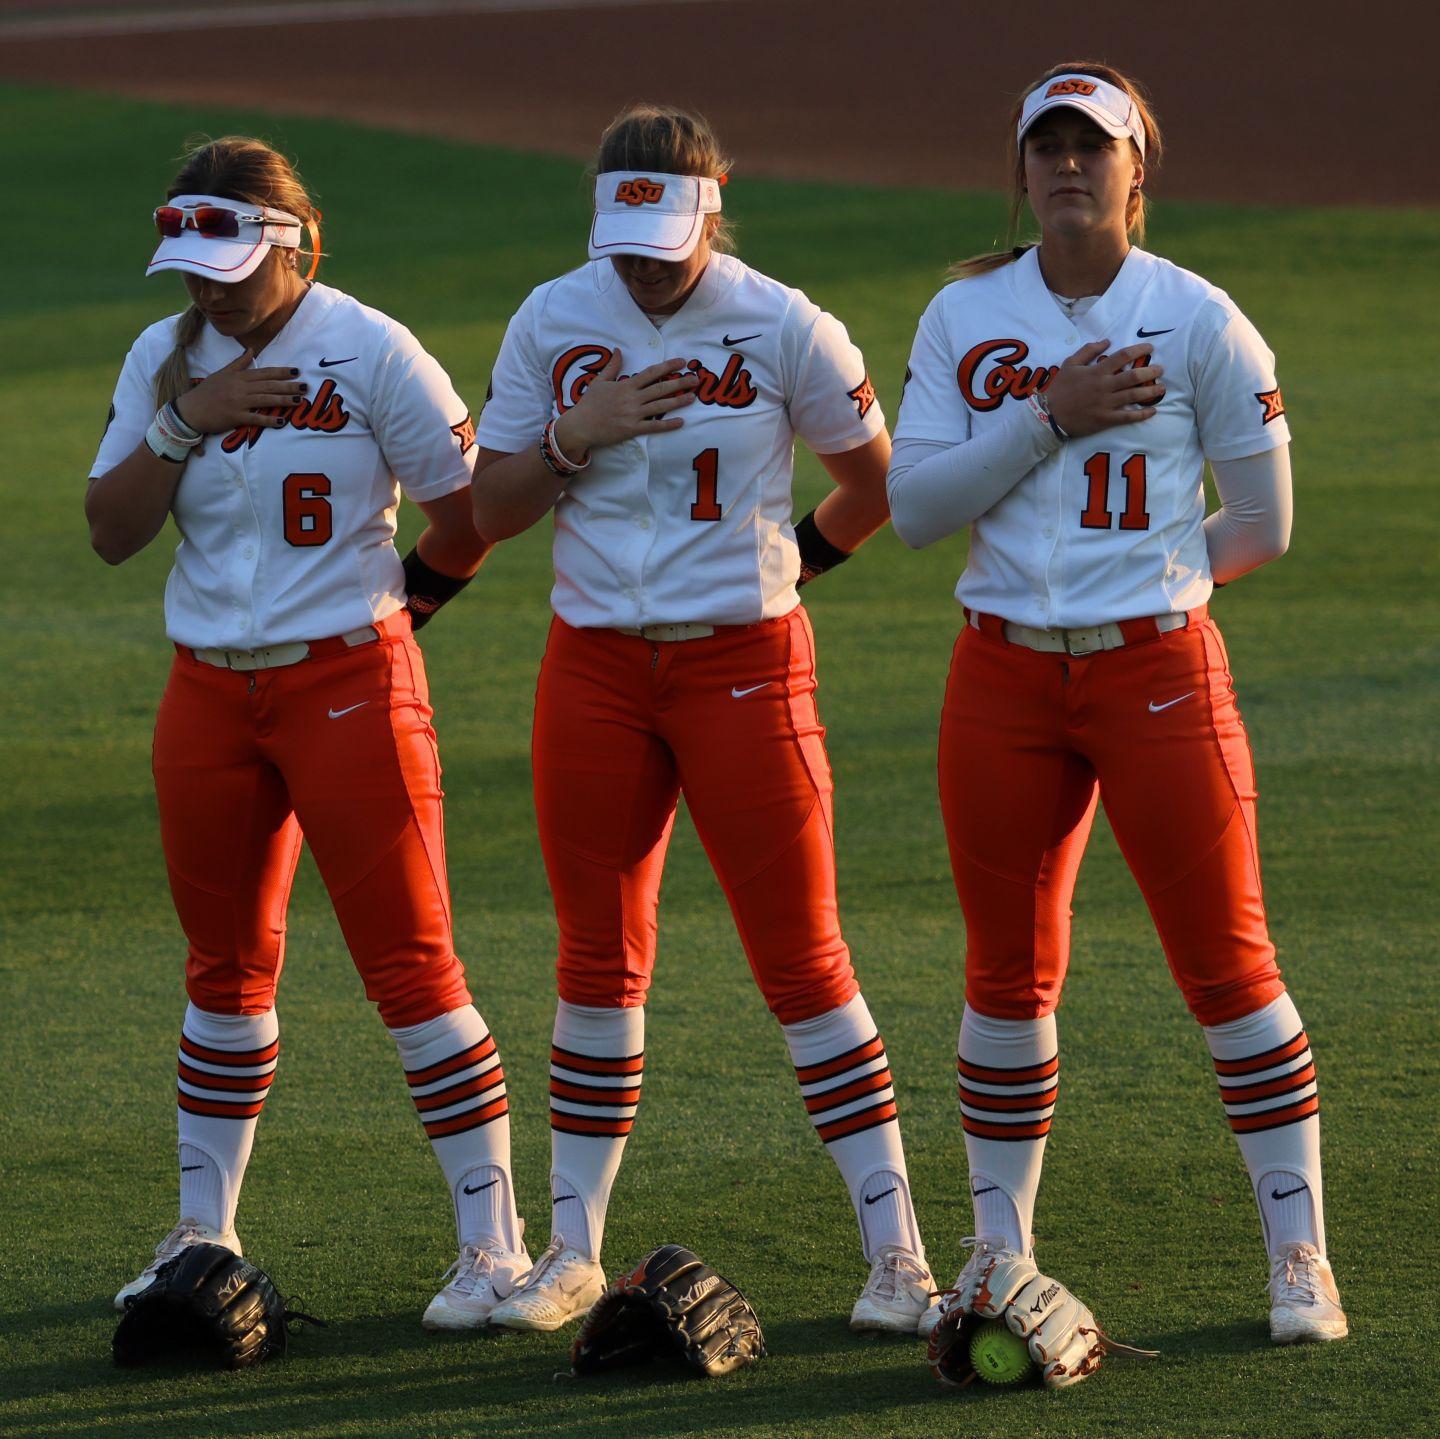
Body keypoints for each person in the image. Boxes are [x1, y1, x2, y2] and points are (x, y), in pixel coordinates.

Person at [888, 63, 1346, 1380]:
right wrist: (1049, 414)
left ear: (1141, 170)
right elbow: (917, 510)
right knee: (1004, 971)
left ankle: (1299, 1253)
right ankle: (996, 1249)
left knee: (1228, 962)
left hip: (1156, 673)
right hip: (1003, 679)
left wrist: (1150, 585)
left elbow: (1265, 526)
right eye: (1049, 147)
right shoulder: (967, 312)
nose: (1070, 167)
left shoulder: (1201, 320)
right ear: (1019, 170)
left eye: (1095, 147)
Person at [470, 104, 934, 1335]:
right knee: (595, 956)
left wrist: (793, 569)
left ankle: (898, 1255)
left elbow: (874, 481)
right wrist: (577, 434)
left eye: (667, 235)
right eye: (624, 235)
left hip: (744, 663)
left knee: (802, 956)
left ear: (714, 205)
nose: (643, 260)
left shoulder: (785, 321)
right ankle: (572, 1249)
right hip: (597, 670)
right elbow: (488, 509)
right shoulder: (552, 316)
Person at [89, 136, 530, 1331]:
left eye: (230, 258)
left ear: (297, 240)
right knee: (222, 967)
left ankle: (493, 1244)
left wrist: (407, 611)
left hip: (348, 685)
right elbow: (111, 529)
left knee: (412, 963)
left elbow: (474, 509)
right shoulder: (163, 356)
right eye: (189, 259)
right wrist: (187, 419)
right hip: (208, 694)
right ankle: (202, 1229)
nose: (207, 284)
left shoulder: (371, 345)